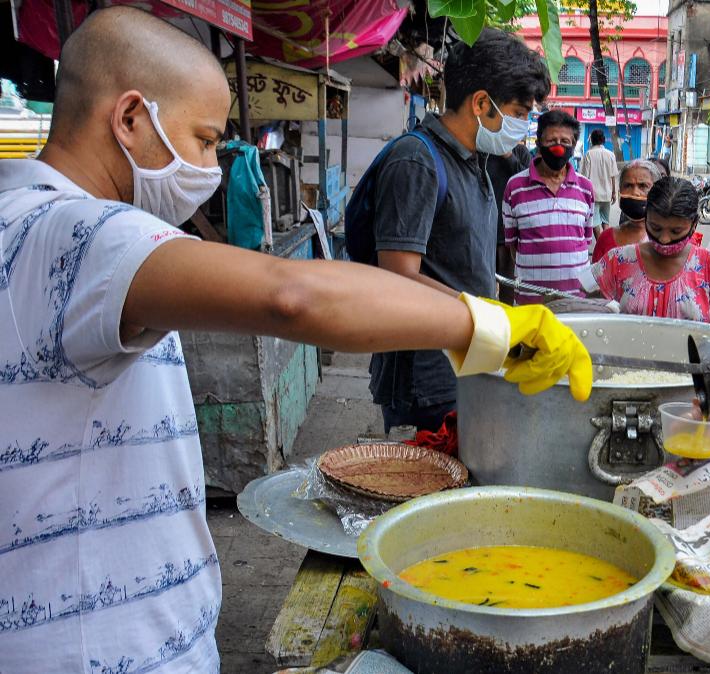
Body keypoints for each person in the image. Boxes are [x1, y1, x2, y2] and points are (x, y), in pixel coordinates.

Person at [0, 8, 591, 673]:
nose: (210, 168)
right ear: (130, 118)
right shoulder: (71, 233)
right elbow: (295, 296)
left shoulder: (35, 228)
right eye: (202, 140)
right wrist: (493, 329)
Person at [360, 28, 552, 434]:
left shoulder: (477, 162)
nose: (523, 125)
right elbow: (398, 277)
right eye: (518, 113)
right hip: (426, 381)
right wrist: (491, 317)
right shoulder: (417, 161)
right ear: (482, 103)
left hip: (468, 364)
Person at [581, 177, 710, 322]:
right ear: (646, 218)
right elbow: (592, 313)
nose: (664, 239)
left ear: (694, 225)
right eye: (656, 228)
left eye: (676, 231)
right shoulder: (619, 260)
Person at [503, 110, 595, 304]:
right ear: (538, 144)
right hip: (531, 301)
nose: (558, 148)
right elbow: (513, 246)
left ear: (574, 145)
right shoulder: (514, 187)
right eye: (551, 141)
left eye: (565, 142)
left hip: (576, 300)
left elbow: (585, 241)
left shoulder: (586, 188)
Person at [591, 159, 665, 262]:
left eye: (643, 186)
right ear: (620, 191)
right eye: (628, 185)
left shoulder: (668, 239)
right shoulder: (606, 238)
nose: (635, 192)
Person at [485, 141, 533, 303]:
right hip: (484, 233)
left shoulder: (520, 152)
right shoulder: (483, 152)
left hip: (509, 236)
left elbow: (530, 182)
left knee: (509, 288)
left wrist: (508, 156)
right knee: (483, 289)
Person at [580, 128, 618, 231]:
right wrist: (614, 193)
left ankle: (601, 244)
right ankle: (605, 244)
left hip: (594, 195)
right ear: (603, 140)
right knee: (605, 221)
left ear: (592, 140)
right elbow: (613, 176)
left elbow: (584, 177)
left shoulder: (588, 154)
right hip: (607, 193)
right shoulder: (610, 155)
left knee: (595, 222)